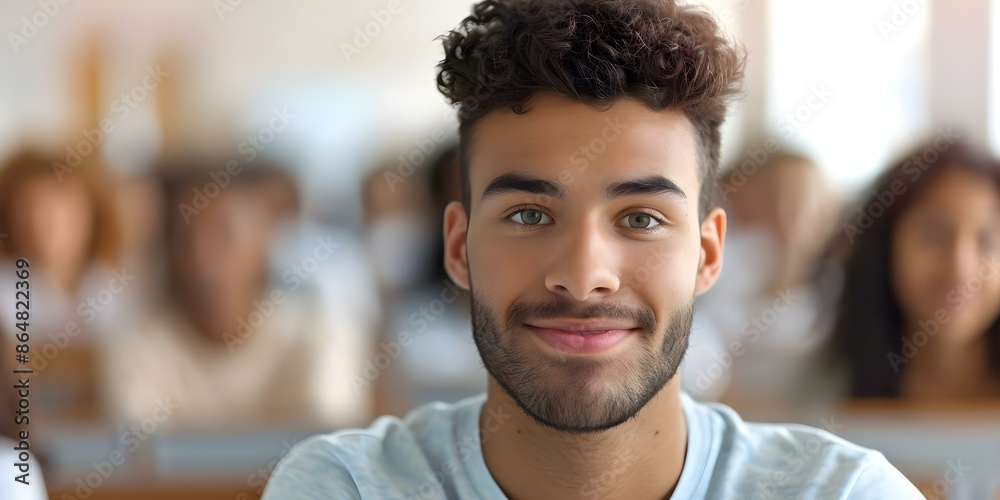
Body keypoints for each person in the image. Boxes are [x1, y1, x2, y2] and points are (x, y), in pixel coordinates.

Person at [263, 0, 921, 498]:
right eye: (528, 213)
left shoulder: (841, 495)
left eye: (639, 218)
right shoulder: (343, 489)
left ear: (708, 254)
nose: (583, 278)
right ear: (458, 247)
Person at [828, 137, 1000, 399]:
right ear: (884, 246)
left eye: (987, 241)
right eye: (933, 235)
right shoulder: (818, 393)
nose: (960, 269)